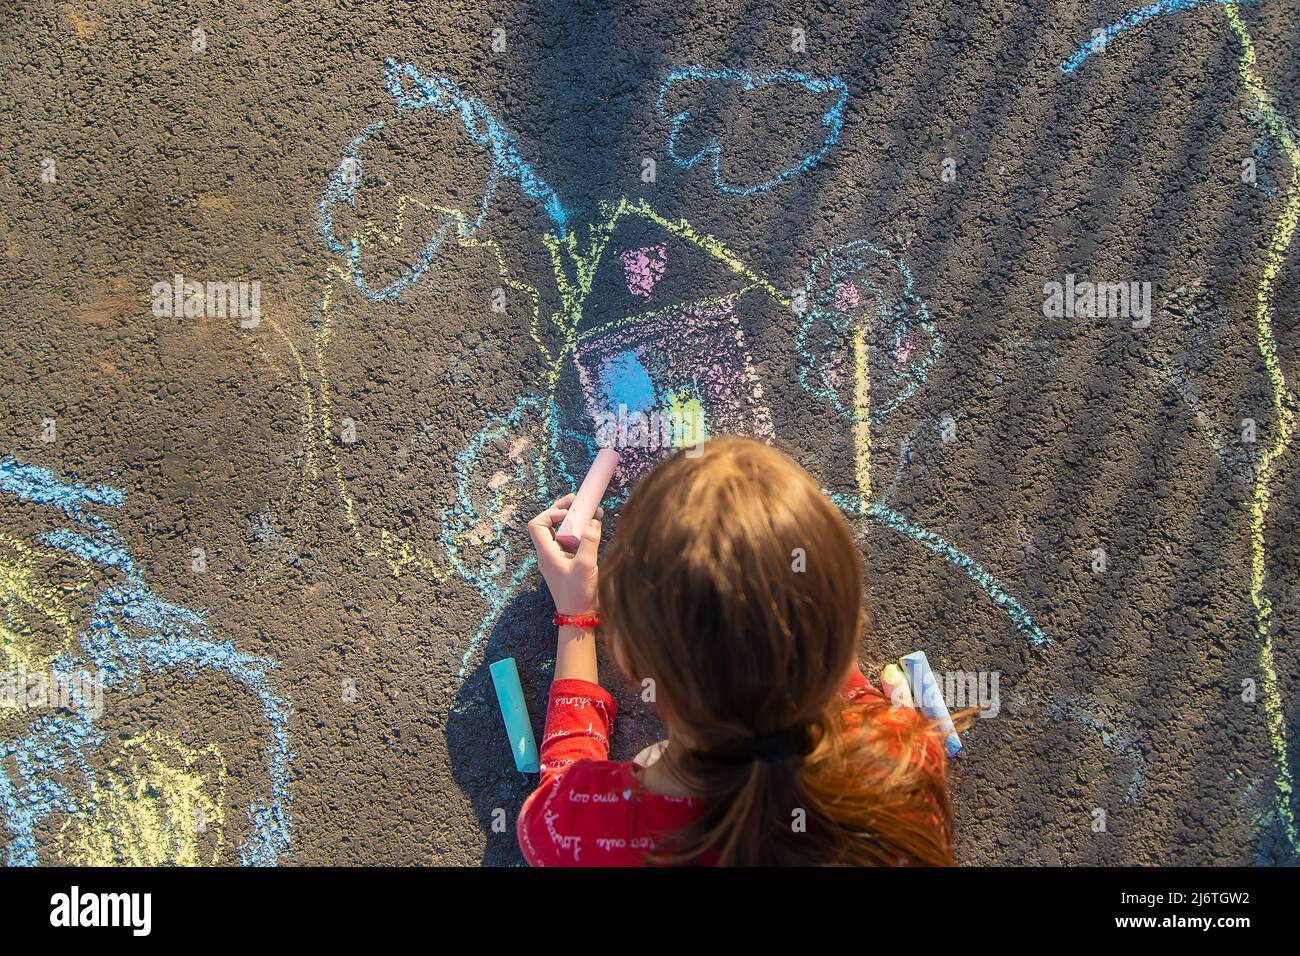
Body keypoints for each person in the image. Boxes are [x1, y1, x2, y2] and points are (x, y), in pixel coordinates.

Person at [518, 436, 957, 866]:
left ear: (630, 659)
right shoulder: (901, 768)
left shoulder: (573, 827)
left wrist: (576, 617)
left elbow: (560, 788)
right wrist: (863, 699)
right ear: (848, 630)